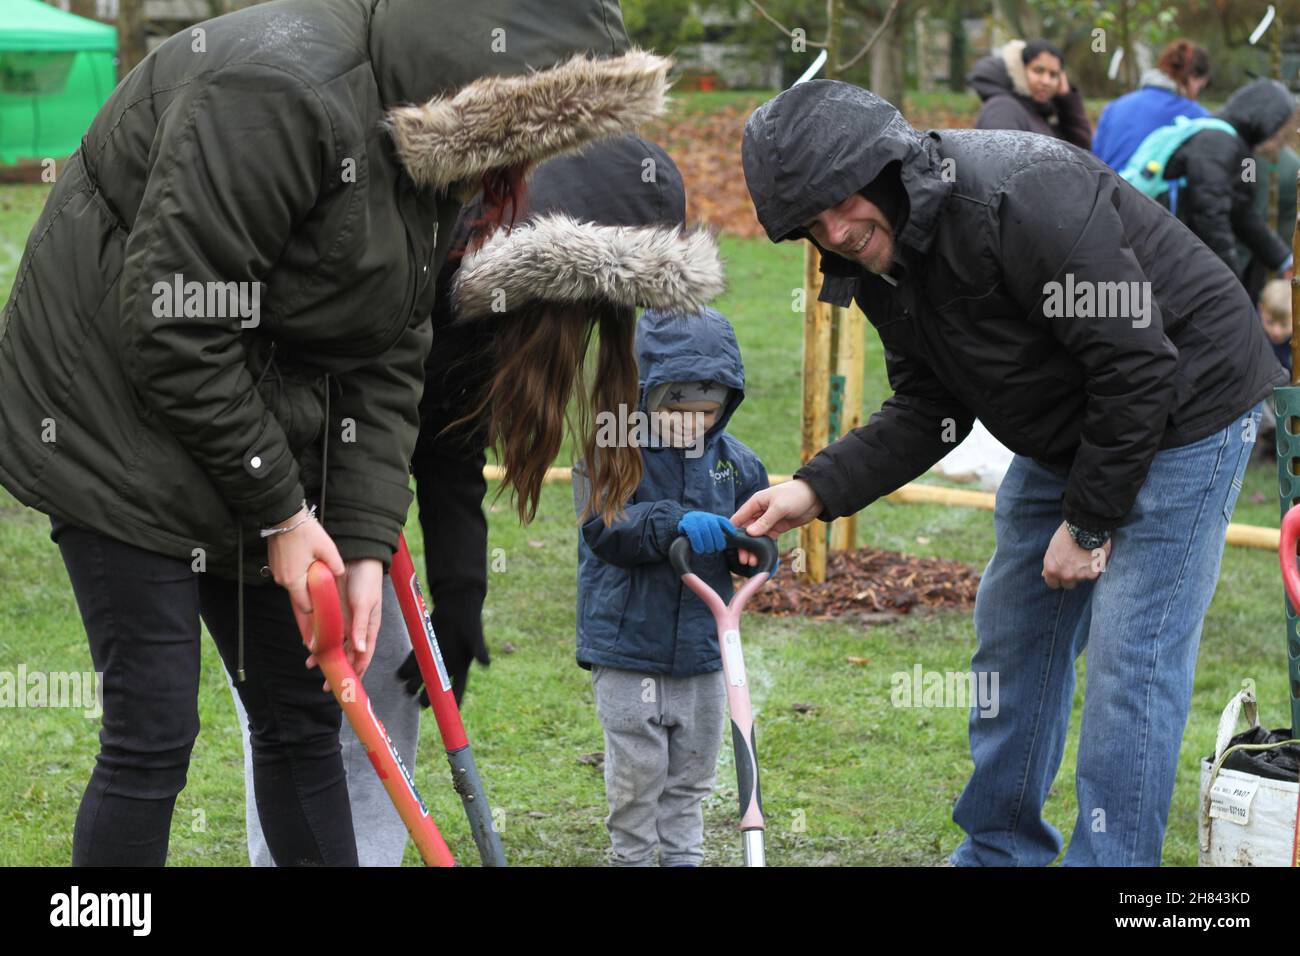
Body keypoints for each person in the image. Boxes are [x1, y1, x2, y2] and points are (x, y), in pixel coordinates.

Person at [0, 0, 668, 866]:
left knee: (302, 716)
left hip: (247, 408)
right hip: (108, 413)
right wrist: (282, 513)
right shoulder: (275, 90)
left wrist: (358, 541)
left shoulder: (431, 152)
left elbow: (390, 354)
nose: (530, 168)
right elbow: (171, 324)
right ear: (487, 90)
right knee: (154, 730)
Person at [736, 80, 1281, 866]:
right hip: (1071, 421)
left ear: (884, 166)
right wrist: (814, 487)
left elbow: (1135, 365)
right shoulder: (878, 258)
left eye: (840, 203)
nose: (836, 233)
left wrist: (1088, 524)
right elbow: (932, 405)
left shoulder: (1025, 198)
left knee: (1133, 665)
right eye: (809, 225)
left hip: (1187, 402)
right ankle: (999, 850)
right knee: (1013, 639)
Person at [574, 306, 769, 866]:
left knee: (690, 776)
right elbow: (604, 528)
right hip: (628, 647)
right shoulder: (612, 453)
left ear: (726, 400)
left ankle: (683, 858)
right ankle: (632, 857)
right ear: (644, 390)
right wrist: (671, 522)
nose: (689, 418)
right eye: (673, 402)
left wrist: (755, 554)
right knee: (640, 777)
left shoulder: (738, 466)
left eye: (705, 405)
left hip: (704, 652)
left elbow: (754, 541)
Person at [1157, 78, 1295, 281]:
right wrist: (1231, 280)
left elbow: (1242, 211)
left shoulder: (1239, 149)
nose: (1278, 139)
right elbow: (1209, 213)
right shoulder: (1216, 142)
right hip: (1162, 253)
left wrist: (1284, 260)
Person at [1093, 39, 1211, 170]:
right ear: (1192, 77)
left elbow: (1095, 158)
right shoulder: (1197, 117)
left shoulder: (1114, 107)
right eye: (1200, 88)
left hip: (1105, 187)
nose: (1196, 97)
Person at [969, 39, 1091, 149]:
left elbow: (1081, 155)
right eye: (1038, 71)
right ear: (1020, 70)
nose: (1046, 81)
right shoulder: (1003, 109)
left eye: (1053, 75)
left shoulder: (1043, 114)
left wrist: (1067, 99)